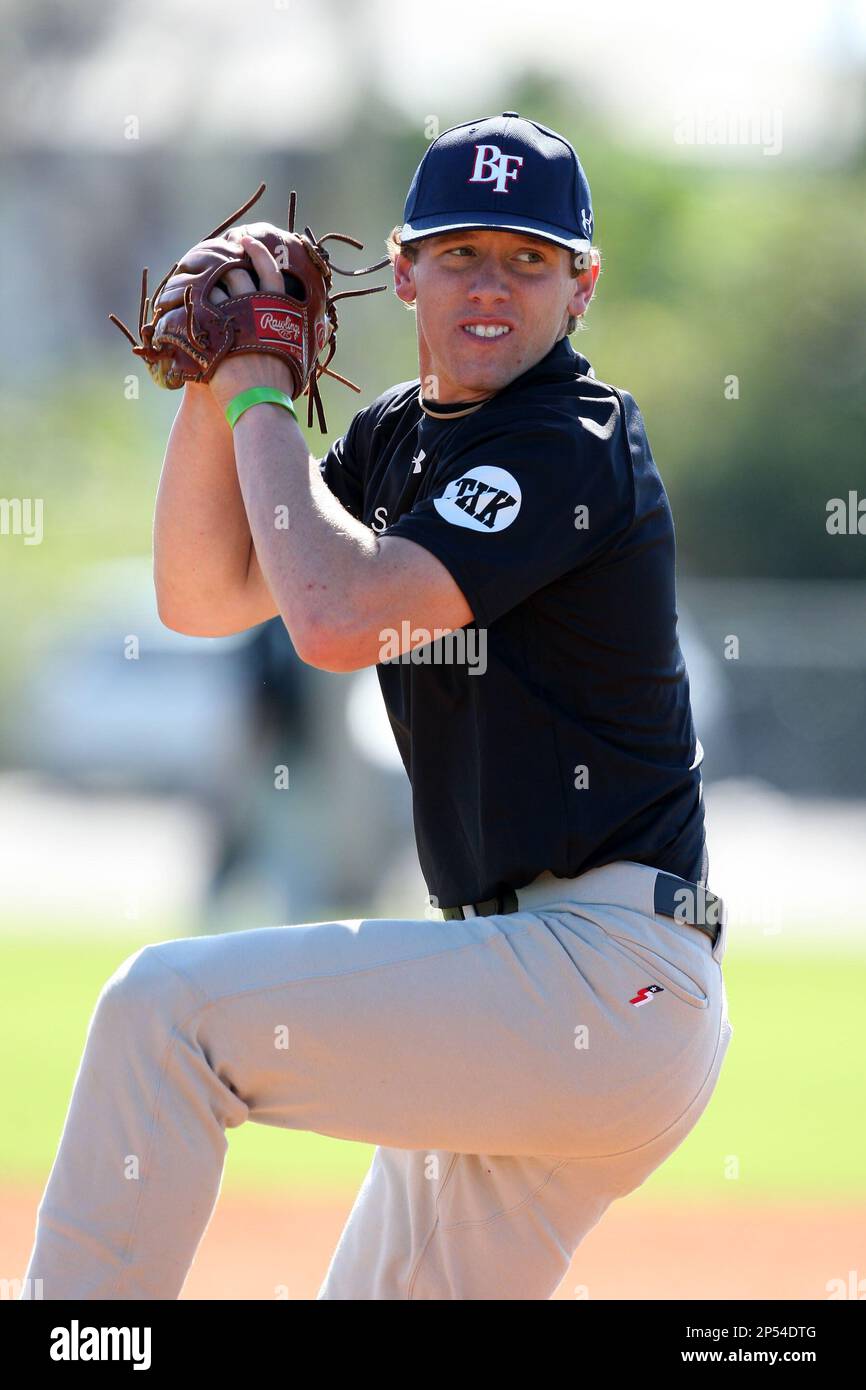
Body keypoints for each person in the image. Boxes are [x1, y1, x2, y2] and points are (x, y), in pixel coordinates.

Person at [21, 112, 733, 1301]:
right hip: (522, 983)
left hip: (607, 978)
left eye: (528, 258)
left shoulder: (571, 437)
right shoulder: (397, 436)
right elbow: (203, 596)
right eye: (461, 253)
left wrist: (255, 382)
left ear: (580, 285)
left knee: (167, 1014)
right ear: (402, 268)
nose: (491, 285)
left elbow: (340, 618)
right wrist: (214, 387)